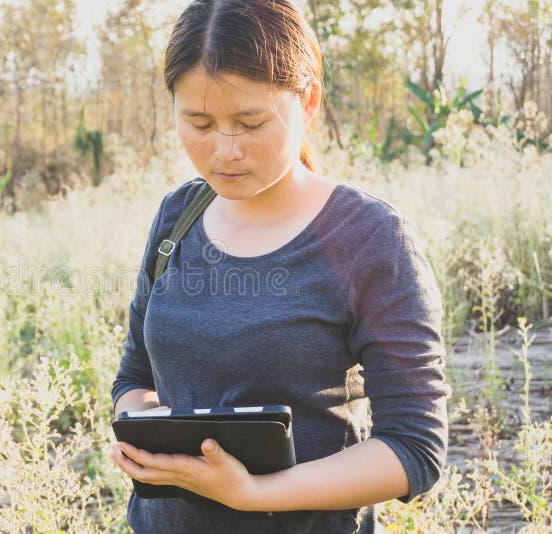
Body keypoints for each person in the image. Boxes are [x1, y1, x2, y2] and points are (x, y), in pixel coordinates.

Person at [109, 1, 450, 532]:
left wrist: (254, 494)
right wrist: (148, 434)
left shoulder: (370, 239)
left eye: (250, 123)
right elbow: (136, 376)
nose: (225, 150)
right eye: (198, 122)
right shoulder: (178, 216)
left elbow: (414, 446)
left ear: (308, 101)